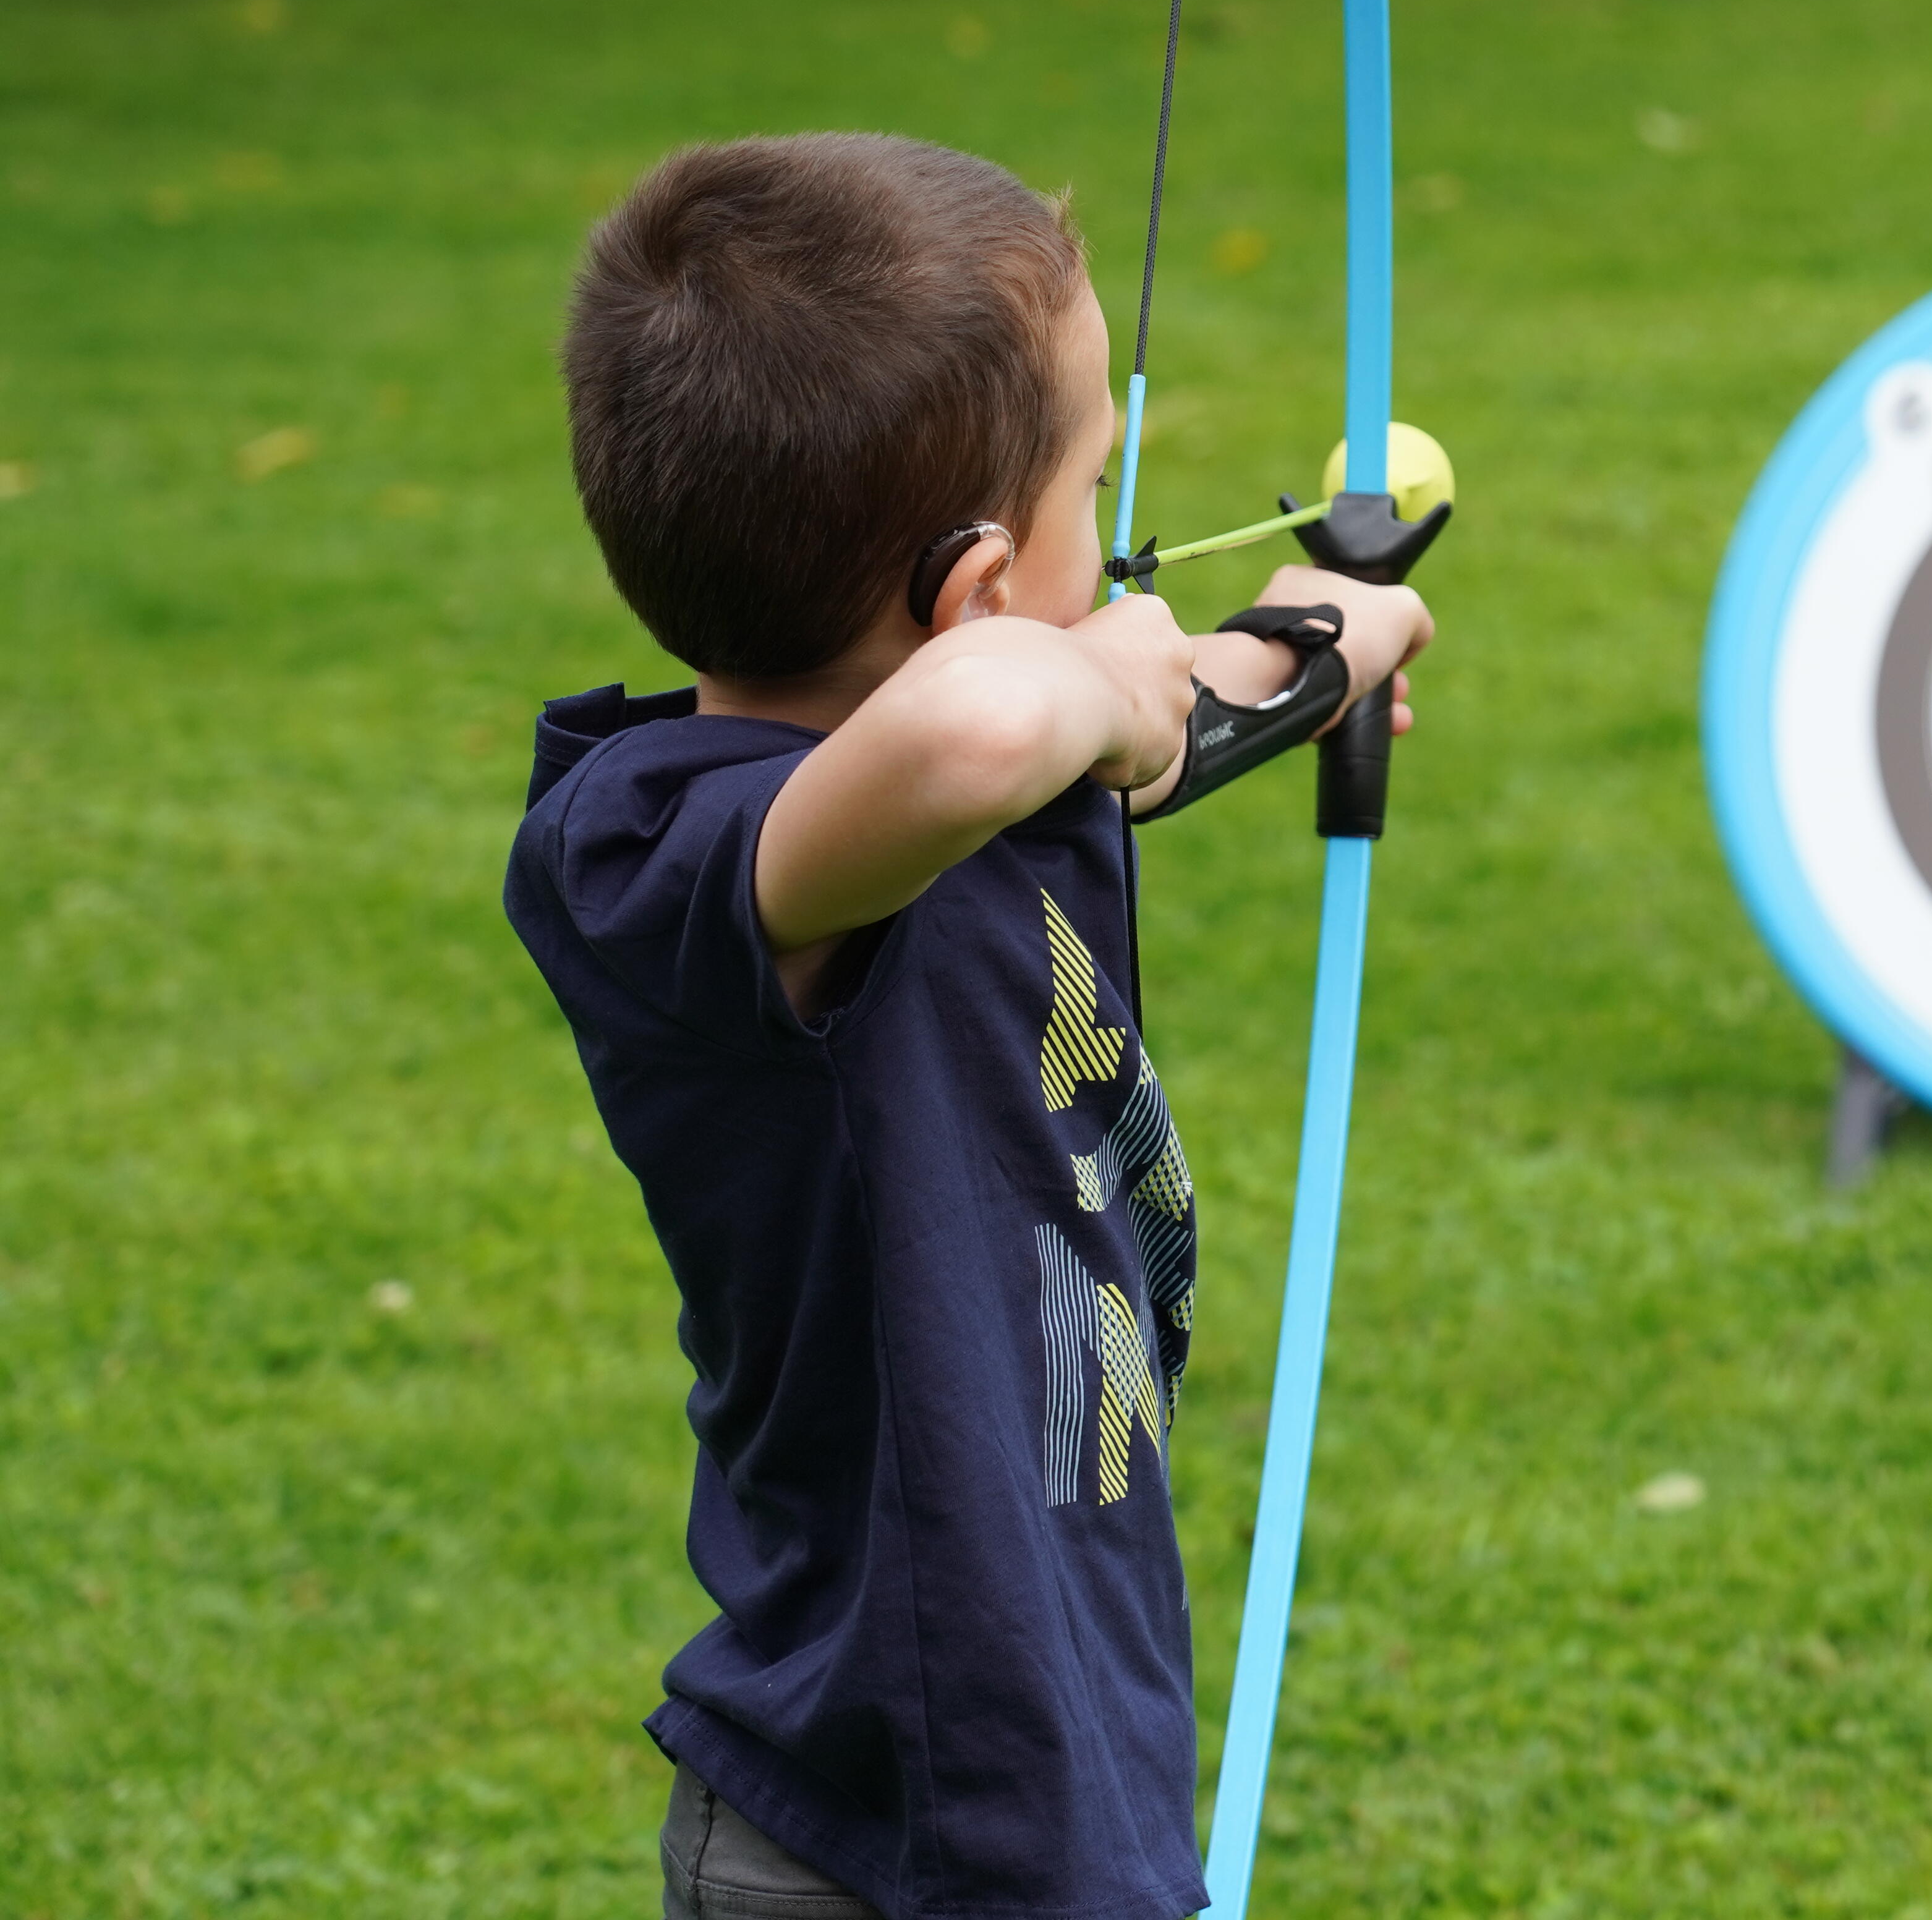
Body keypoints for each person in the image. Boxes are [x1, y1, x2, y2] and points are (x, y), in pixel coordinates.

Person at [502, 132, 1432, 1920]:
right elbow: (993, 726)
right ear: (980, 587)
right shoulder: (670, 853)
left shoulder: (977, 755)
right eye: (1102, 481)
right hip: (906, 1801)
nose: (1123, 539)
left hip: (1045, 1727)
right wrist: (1107, 686)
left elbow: (1092, 727)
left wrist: (1322, 647)